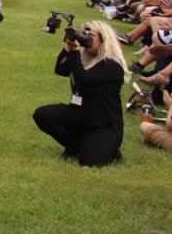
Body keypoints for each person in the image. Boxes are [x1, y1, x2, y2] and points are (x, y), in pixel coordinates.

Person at [32, 20, 125, 166]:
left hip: (103, 123)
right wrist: (69, 48)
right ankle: (73, 145)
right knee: (43, 114)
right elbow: (60, 70)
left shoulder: (112, 65)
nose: (85, 38)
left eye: (90, 35)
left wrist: (75, 53)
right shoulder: (84, 59)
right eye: (84, 33)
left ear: (103, 38)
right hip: (79, 113)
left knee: (90, 162)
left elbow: (84, 79)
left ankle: (108, 148)